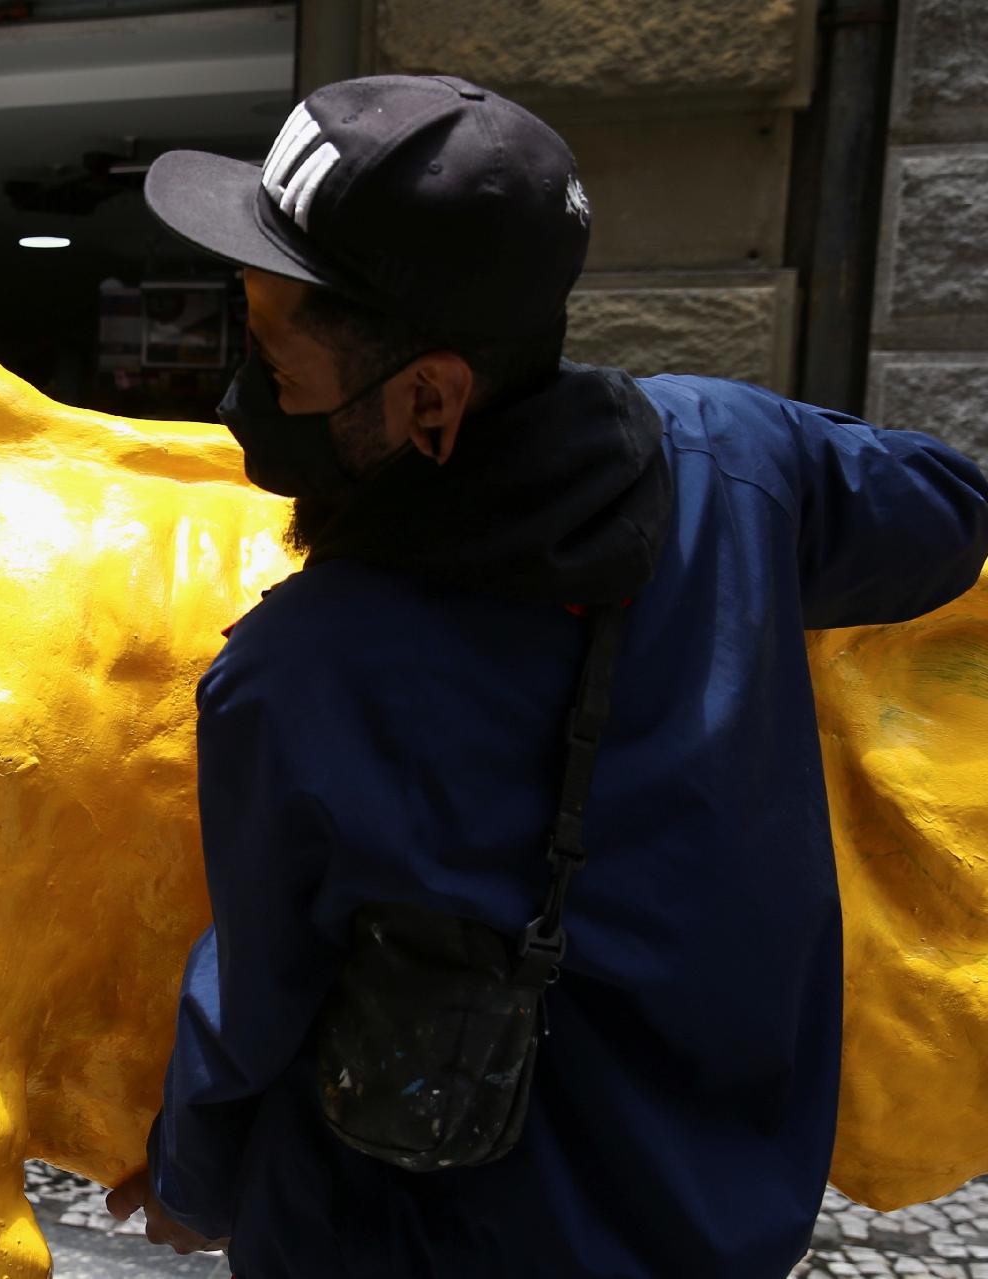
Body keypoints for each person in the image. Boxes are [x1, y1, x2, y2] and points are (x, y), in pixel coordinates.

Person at [107, 75, 988, 1278]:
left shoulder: (297, 673)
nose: (241, 403)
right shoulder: (738, 460)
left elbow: (255, 1000)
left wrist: (190, 1183)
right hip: (718, 1226)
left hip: (409, 1240)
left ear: (430, 398)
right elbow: (949, 513)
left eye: (276, 366)